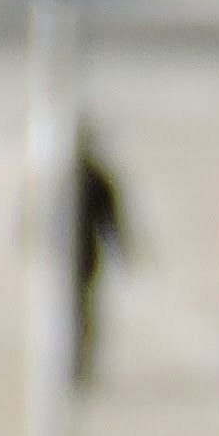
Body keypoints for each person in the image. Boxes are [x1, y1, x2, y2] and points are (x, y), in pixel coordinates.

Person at [67, 127, 132, 391]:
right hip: (70, 256)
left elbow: (110, 223)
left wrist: (122, 252)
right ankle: (74, 365)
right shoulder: (59, 175)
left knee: (80, 312)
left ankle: (79, 366)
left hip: (83, 256)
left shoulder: (94, 179)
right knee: (76, 312)